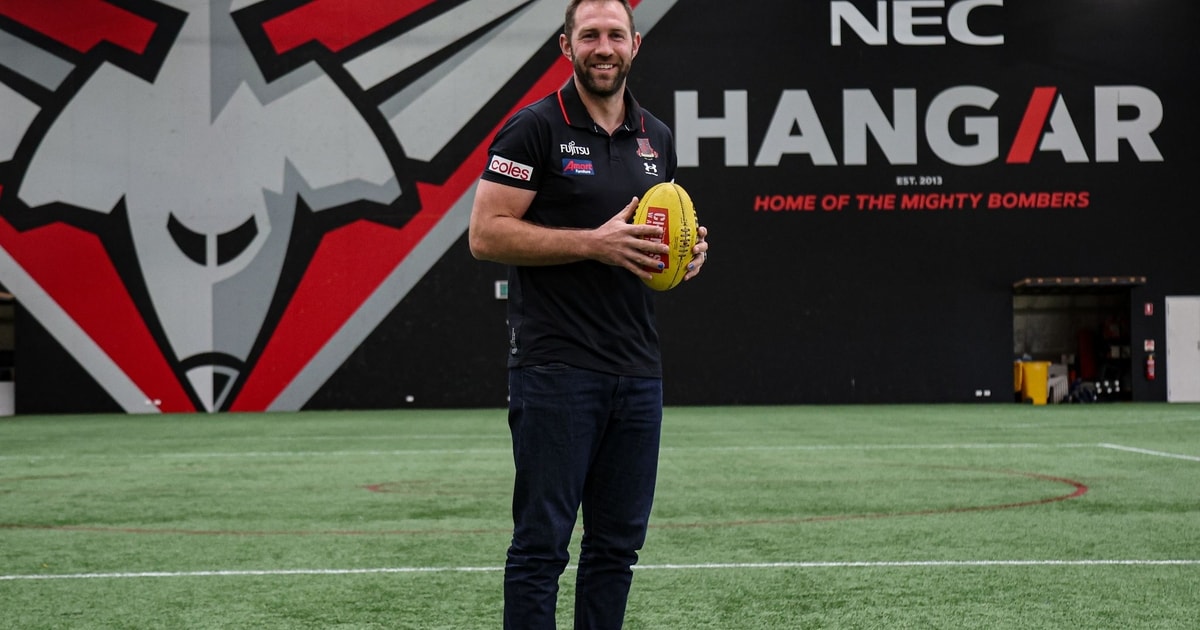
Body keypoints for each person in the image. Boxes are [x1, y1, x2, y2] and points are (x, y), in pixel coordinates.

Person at [468, 1, 708, 627]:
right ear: (565, 46)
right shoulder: (533, 129)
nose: (604, 47)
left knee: (616, 549)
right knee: (541, 546)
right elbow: (486, 235)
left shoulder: (658, 137)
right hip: (556, 368)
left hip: (636, 369)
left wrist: (683, 255)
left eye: (615, 36)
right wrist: (590, 242)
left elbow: (655, 247)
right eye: (590, 35)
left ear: (636, 46)